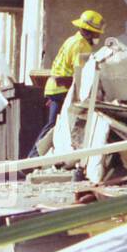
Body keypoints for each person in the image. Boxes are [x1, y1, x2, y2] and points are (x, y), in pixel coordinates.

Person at [29, 9, 105, 157]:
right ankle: (33, 158)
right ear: (88, 32)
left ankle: (40, 157)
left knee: (56, 126)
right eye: (97, 33)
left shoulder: (72, 40)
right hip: (63, 89)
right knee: (54, 126)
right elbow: (81, 75)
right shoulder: (82, 45)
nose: (98, 36)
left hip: (56, 88)